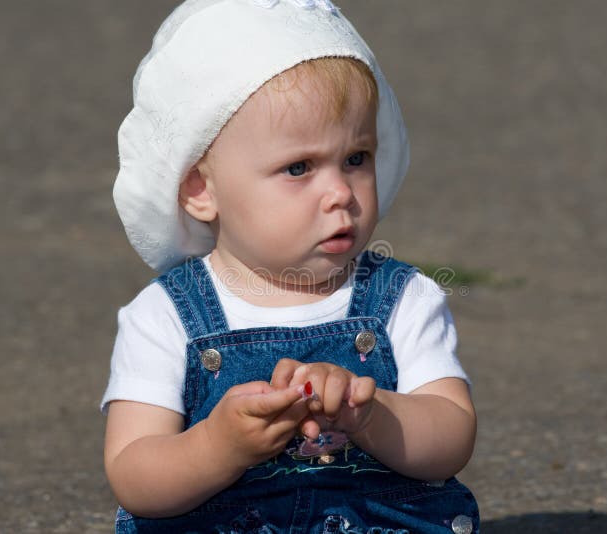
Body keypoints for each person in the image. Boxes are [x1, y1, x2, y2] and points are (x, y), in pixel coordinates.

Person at [101, 0, 479, 532]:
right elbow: (134, 474)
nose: (340, 193)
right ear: (201, 190)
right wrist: (217, 445)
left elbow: (450, 439)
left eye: (356, 158)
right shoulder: (165, 316)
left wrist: (369, 415)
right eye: (298, 167)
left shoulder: (401, 297)